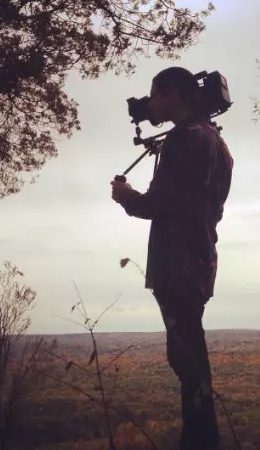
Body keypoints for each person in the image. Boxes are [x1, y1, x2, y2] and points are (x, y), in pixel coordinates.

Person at [111, 67, 233, 450]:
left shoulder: (184, 140)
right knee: (189, 355)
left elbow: (155, 205)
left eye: (155, 94)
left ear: (173, 94)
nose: (150, 103)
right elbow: (209, 204)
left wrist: (124, 196)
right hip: (200, 260)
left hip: (176, 263)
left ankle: (200, 442)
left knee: (188, 362)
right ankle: (201, 439)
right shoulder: (216, 142)